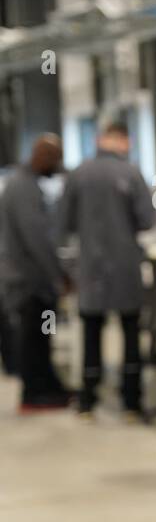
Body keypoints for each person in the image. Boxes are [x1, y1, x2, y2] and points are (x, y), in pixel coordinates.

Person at [59, 121, 156, 420]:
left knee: (91, 332)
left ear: (100, 140)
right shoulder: (131, 173)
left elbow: (65, 221)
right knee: (130, 333)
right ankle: (131, 402)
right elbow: (147, 220)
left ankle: (88, 400)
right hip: (125, 266)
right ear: (124, 141)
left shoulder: (78, 174)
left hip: (90, 267)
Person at [0, 135, 72, 412]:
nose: (57, 167)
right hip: (28, 283)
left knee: (43, 333)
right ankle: (33, 393)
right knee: (35, 338)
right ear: (45, 157)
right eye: (56, 160)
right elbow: (37, 239)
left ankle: (49, 387)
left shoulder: (23, 183)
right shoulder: (23, 188)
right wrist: (58, 274)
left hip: (33, 280)